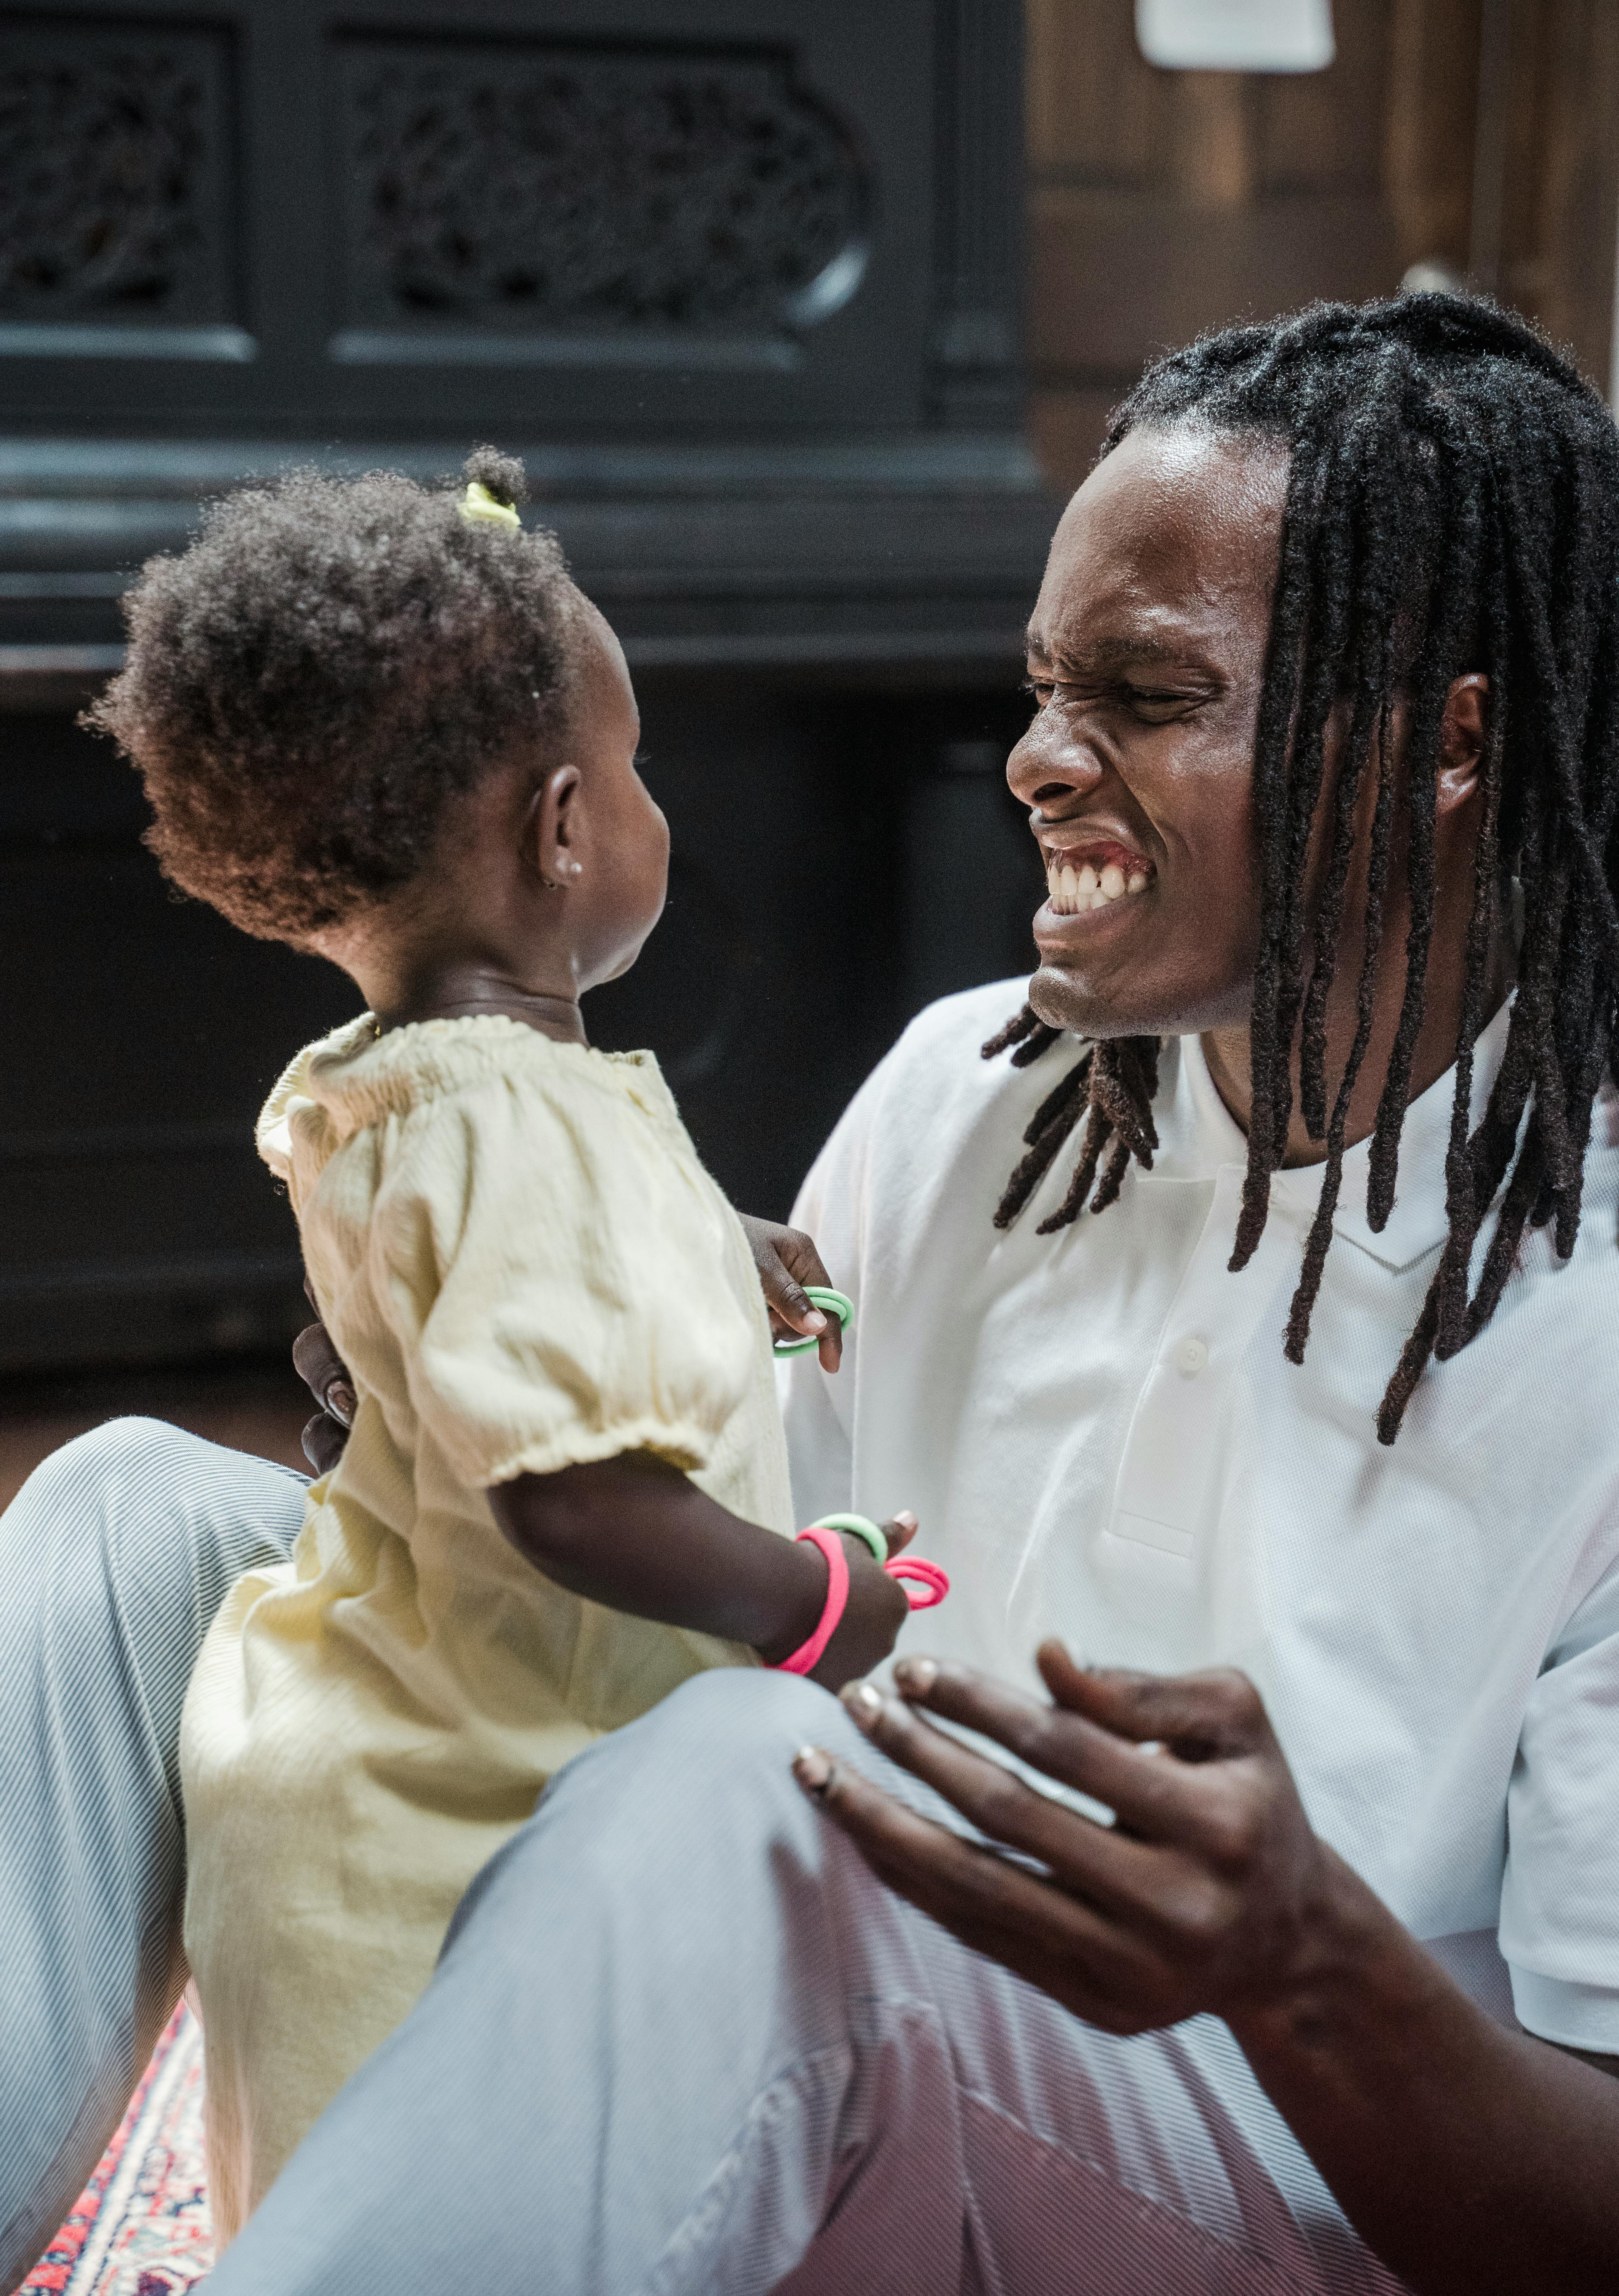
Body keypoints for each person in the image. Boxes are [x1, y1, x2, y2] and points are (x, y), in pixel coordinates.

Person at [4, 292, 1619, 2294]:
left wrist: (1307, 1965)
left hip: (1261, 2150)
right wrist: (446, 1427)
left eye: (1145, 688)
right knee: (136, 1520)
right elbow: (701, 1558)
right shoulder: (972, 1093)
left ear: (1453, 739)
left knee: (736, 1796)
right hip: (834, 1978)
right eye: (1043, 685)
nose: (1040, 759)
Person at [74, 448, 916, 2245]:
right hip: (467, 1820)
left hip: (346, 1769)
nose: (648, 809)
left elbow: (478, 1299)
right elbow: (577, 1503)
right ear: (561, 829)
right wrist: (817, 1601)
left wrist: (711, 1253)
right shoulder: (520, 1119)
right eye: (635, 772)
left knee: (315, 2199)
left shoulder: (399, 1089)